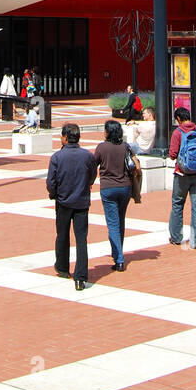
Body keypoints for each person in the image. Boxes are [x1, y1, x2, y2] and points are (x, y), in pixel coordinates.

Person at [46, 123, 97, 290]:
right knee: (81, 238)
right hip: (82, 201)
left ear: (65, 138)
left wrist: (54, 194)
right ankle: (80, 276)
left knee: (62, 235)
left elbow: (51, 182)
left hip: (63, 201)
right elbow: (92, 175)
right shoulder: (87, 156)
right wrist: (86, 185)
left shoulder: (57, 157)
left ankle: (62, 267)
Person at [168, 109, 196, 249]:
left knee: (177, 204)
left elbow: (172, 154)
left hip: (181, 174)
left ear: (179, 119)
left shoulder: (177, 133)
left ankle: (176, 237)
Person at [94, 121, 132, 271]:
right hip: (125, 187)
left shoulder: (102, 147)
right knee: (120, 221)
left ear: (108, 132)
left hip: (108, 188)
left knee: (113, 224)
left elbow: (93, 165)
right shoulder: (125, 146)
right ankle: (118, 251)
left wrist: (89, 181)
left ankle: (119, 259)